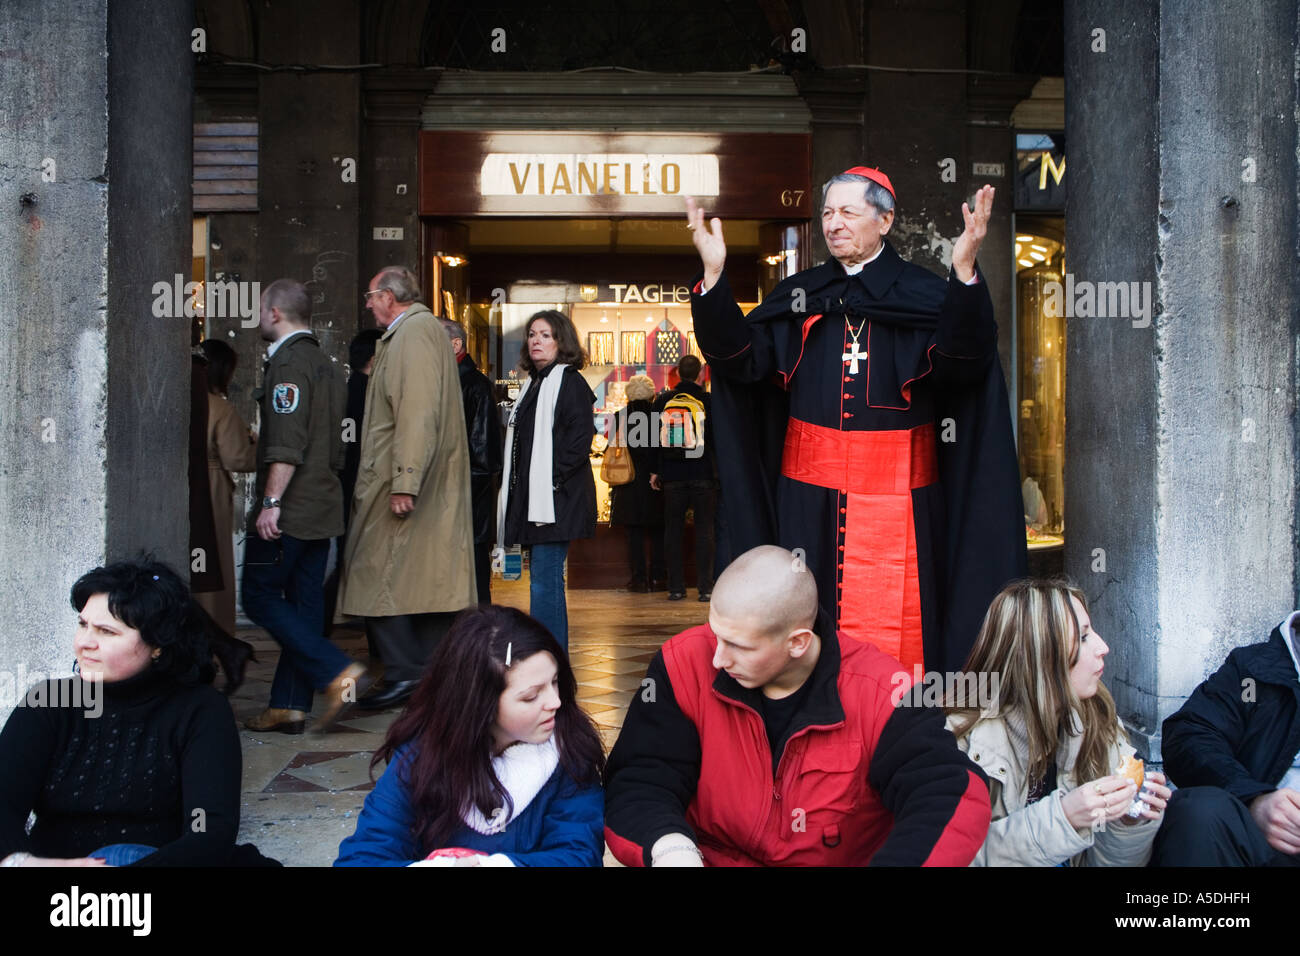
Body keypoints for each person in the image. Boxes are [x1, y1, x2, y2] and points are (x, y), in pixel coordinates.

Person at [685, 170, 1025, 675]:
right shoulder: (801, 294)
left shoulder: (925, 295)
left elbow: (965, 363)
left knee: (903, 649)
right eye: (827, 213)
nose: (833, 224)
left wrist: (966, 272)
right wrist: (714, 281)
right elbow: (742, 363)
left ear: (885, 219)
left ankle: (901, 728)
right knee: (803, 620)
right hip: (807, 500)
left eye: (848, 212)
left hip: (903, 501)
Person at [603, 545, 991, 866]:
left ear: (798, 643)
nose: (717, 658)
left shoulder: (883, 691)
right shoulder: (682, 664)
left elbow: (951, 792)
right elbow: (639, 779)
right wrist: (671, 849)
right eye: (715, 633)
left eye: (738, 645)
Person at [0, 560, 277, 867]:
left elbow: (208, 832)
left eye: (106, 631)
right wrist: (23, 862)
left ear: (158, 644)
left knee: (121, 857)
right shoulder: (49, 702)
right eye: (83, 625)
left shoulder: (200, 710)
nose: (84, 644)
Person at [335, 605, 605, 866]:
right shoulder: (420, 757)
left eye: (555, 682)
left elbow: (579, 855)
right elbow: (362, 856)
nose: (555, 701)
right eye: (531, 696)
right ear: (480, 705)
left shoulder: (570, 754)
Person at [944, 580, 1171, 866]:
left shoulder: (1097, 715)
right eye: (1084, 637)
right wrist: (1062, 818)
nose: (1104, 647)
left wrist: (1126, 823)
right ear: (1040, 658)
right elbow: (949, 859)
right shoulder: (960, 740)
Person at [340, 266, 476, 710]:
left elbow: (416, 411)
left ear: (390, 297)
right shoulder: (414, 332)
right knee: (422, 581)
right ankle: (428, 674)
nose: (366, 303)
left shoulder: (414, 333)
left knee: (378, 574)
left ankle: (406, 673)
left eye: (370, 294)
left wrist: (405, 481)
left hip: (400, 481)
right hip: (407, 478)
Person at [242, 278, 365, 734]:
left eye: (259, 309)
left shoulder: (289, 363)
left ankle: (334, 670)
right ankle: (289, 704)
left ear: (274, 312)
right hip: (324, 505)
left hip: (292, 507)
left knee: (257, 595)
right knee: (304, 604)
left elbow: (288, 443)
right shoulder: (330, 367)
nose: (257, 317)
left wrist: (271, 501)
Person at [1150, 611, 1300, 866]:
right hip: (1267, 846)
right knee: (1200, 813)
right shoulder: (1254, 670)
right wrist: (1253, 800)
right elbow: (1189, 737)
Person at [496, 309, 596, 650]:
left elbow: (579, 443)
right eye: (532, 334)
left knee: (545, 581)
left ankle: (549, 661)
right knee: (543, 579)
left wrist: (549, 481)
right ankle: (551, 659)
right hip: (538, 498)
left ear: (561, 342)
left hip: (556, 500)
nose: (536, 341)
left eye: (546, 335)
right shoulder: (534, 383)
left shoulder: (569, 382)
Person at [195, 339, 258, 640]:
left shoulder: (180, 400)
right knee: (213, 569)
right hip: (211, 488)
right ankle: (214, 638)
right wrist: (255, 443)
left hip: (181, 487)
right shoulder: (219, 407)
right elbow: (238, 457)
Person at [323, 327, 383, 642]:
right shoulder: (373, 395)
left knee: (348, 554)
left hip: (343, 486)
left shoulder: (345, 391)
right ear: (376, 357)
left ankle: (330, 620)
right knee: (367, 559)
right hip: (365, 487)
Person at [441, 318, 504, 605]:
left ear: (456, 344)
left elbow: (483, 452)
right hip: (452, 500)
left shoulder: (475, 386)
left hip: (466, 501)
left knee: (474, 583)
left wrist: (456, 498)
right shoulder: (445, 379)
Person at [650, 355, 716, 602]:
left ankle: (675, 588)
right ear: (700, 374)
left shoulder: (664, 400)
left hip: (673, 474)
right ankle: (705, 588)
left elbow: (652, 438)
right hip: (702, 473)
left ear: (677, 374)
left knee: (673, 532)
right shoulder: (707, 400)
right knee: (705, 531)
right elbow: (715, 438)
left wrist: (656, 470)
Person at [610, 373, 665, 592]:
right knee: (658, 531)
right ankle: (659, 577)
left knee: (634, 534)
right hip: (654, 481)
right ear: (651, 392)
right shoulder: (658, 416)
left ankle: (639, 579)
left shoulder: (620, 416)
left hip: (628, 482)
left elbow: (613, 448)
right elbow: (661, 448)